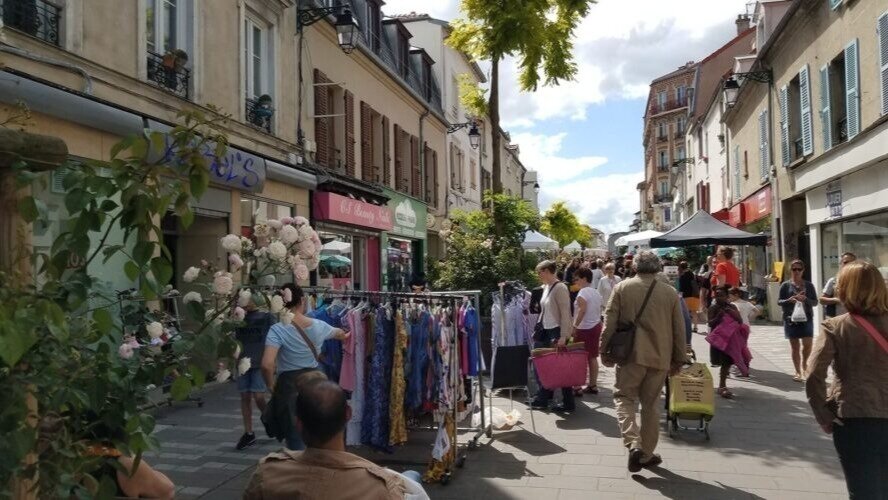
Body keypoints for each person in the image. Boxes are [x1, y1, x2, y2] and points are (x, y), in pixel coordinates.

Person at [245, 380, 429, 499]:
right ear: (348, 414)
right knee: (411, 476)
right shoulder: (381, 489)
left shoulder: (267, 474)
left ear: (298, 424)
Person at [806, 261, 888, 500]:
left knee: (864, 490)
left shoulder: (836, 327)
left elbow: (813, 375)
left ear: (844, 289)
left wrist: (824, 414)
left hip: (854, 416)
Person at [600, 251, 687, 472]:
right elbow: (679, 328)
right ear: (657, 268)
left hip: (630, 355)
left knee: (624, 397)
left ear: (635, 267)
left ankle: (633, 443)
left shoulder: (622, 288)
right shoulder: (669, 292)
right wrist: (679, 358)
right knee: (651, 405)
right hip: (660, 356)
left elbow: (609, 321)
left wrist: (603, 350)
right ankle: (646, 454)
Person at [261, 283, 350, 450]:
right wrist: (347, 334)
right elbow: (340, 334)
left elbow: (267, 365)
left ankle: (301, 471)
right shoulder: (318, 325)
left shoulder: (277, 330)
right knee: (320, 432)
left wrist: (270, 385)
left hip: (289, 388)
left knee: (295, 439)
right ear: (302, 300)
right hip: (316, 384)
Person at [530, 260, 575, 413]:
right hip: (545, 330)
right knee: (541, 364)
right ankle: (543, 397)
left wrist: (564, 336)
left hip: (556, 331)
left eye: (540, 272)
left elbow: (565, 313)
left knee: (561, 367)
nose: (538, 275)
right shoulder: (546, 287)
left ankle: (568, 403)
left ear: (548, 271)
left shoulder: (560, 287)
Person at [235, 297, 275, 450]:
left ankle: (268, 419)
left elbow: (275, 338)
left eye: (251, 299)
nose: (249, 302)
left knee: (258, 396)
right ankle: (248, 432)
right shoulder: (238, 317)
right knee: (245, 396)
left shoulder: (266, 317)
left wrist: (272, 361)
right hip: (242, 362)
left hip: (260, 362)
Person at [778, 260, 819, 382]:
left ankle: (805, 364)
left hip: (806, 318)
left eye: (799, 269)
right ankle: (797, 371)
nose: (796, 272)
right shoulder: (785, 285)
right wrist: (789, 300)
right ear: (790, 270)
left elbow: (815, 302)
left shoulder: (809, 285)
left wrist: (805, 299)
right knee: (795, 347)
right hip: (791, 319)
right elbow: (779, 301)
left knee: (807, 345)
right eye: (794, 269)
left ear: (803, 271)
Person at [706, 286, 750, 398]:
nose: (719, 297)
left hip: (731, 340)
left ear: (727, 296)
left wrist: (731, 313)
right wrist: (718, 317)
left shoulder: (732, 307)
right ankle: (722, 386)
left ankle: (722, 386)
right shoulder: (713, 308)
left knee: (727, 362)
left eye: (721, 295)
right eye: (717, 295)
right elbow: (710, 323)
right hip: (719, 340)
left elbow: (740, 321)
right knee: (723, 362)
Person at [572, 267, 604, 394]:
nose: (576, 281)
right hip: (595, 325)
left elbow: (582, 310)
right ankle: (593, 384)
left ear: (584, 278)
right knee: (593, 356)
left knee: (579, 358)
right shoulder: (596, 292)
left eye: (577, 278)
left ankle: (577, 386)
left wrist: (574, 326)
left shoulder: (583, 292)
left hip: (584, 328)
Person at [819, 252, 857, 318]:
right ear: (841, 264)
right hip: (838, 319)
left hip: (856, 319)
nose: (848, 265)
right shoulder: (833, 281)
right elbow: (822, 300)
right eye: (845, 262)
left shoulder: (860, 281)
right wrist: (836, 300)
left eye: (851, 263)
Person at [677, 261, 701, 333]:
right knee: (694, 312)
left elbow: (681, 287)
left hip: (685, 296)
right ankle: (695, 327)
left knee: (685, 313)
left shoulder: (682, 276)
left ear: (681, 267)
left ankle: (687, 327)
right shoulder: (692, 274)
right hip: (694, 295)